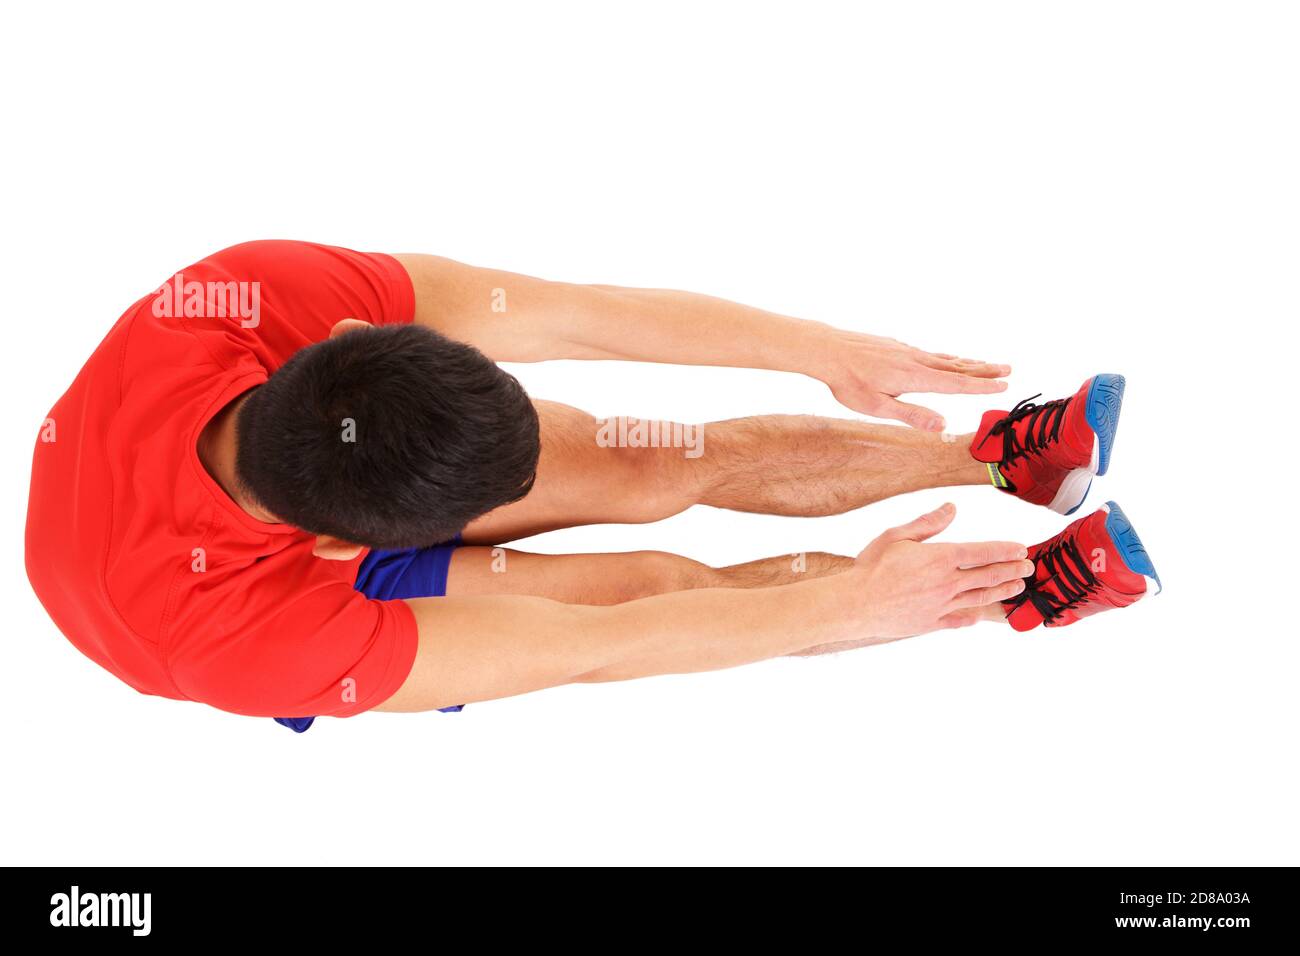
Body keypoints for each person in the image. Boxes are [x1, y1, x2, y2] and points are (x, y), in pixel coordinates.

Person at [24, 241, 1161, 732]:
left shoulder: (246, 292)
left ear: (358, 331)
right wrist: (838, 608)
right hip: (199, 609)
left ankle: (1005, 455)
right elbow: (604, 648)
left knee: (646, 456)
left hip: (288, 473)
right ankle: (1004, 587)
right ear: (344, 554)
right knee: (640, 587)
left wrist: (818, 344)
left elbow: (562, 307)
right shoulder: (256, 635)